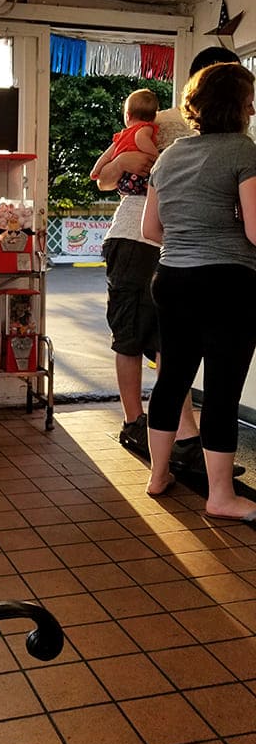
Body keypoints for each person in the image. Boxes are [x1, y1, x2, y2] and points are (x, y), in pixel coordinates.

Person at [96, 47, 243, 477]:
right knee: (130, 333)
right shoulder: (158, 122)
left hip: (179, 248)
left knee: (170, 345)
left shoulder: (232, 136)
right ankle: (132, 423)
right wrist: (123, 160)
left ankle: (185, 438)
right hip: (134, 236)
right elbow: (104, 177)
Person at [141, 62, 256, 521]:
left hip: (172, 280)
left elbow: (152, 229)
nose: (253, 106)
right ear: (236, 106)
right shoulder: (244, 150)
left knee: (172, 380)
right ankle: (221, 497)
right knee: (223, 390)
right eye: (249, 97)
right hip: (228, 282)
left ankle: (157, 475)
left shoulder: (168, 156)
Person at [90, 88, 159, 195]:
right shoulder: (146, 127)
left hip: (123, 180)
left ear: (128, 115)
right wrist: (156, 156)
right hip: (137, 177)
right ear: (154, 117)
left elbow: (106, 156)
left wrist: (96, 170)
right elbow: (140, 139)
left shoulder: (121, 135)